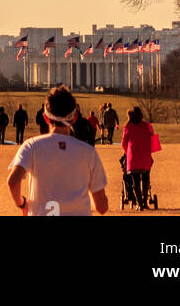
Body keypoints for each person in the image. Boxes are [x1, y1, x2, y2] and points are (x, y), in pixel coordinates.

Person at [6, 84, 108, 218]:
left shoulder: (31, 146)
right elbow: (101, 207)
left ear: (46, 117)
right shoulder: (88, 152)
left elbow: (13, 181)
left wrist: (22, 203)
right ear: (74, 118)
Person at [122, 106, 158, 210]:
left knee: (135, 181)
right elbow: (154, 141)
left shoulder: (127, 127)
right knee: (146, 178)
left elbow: (123, 143)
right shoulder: (148, 126)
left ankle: (139, 204)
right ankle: (145, 201)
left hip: (132, 156)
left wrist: (127, 152)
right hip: (145, 155)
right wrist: (149, 152)